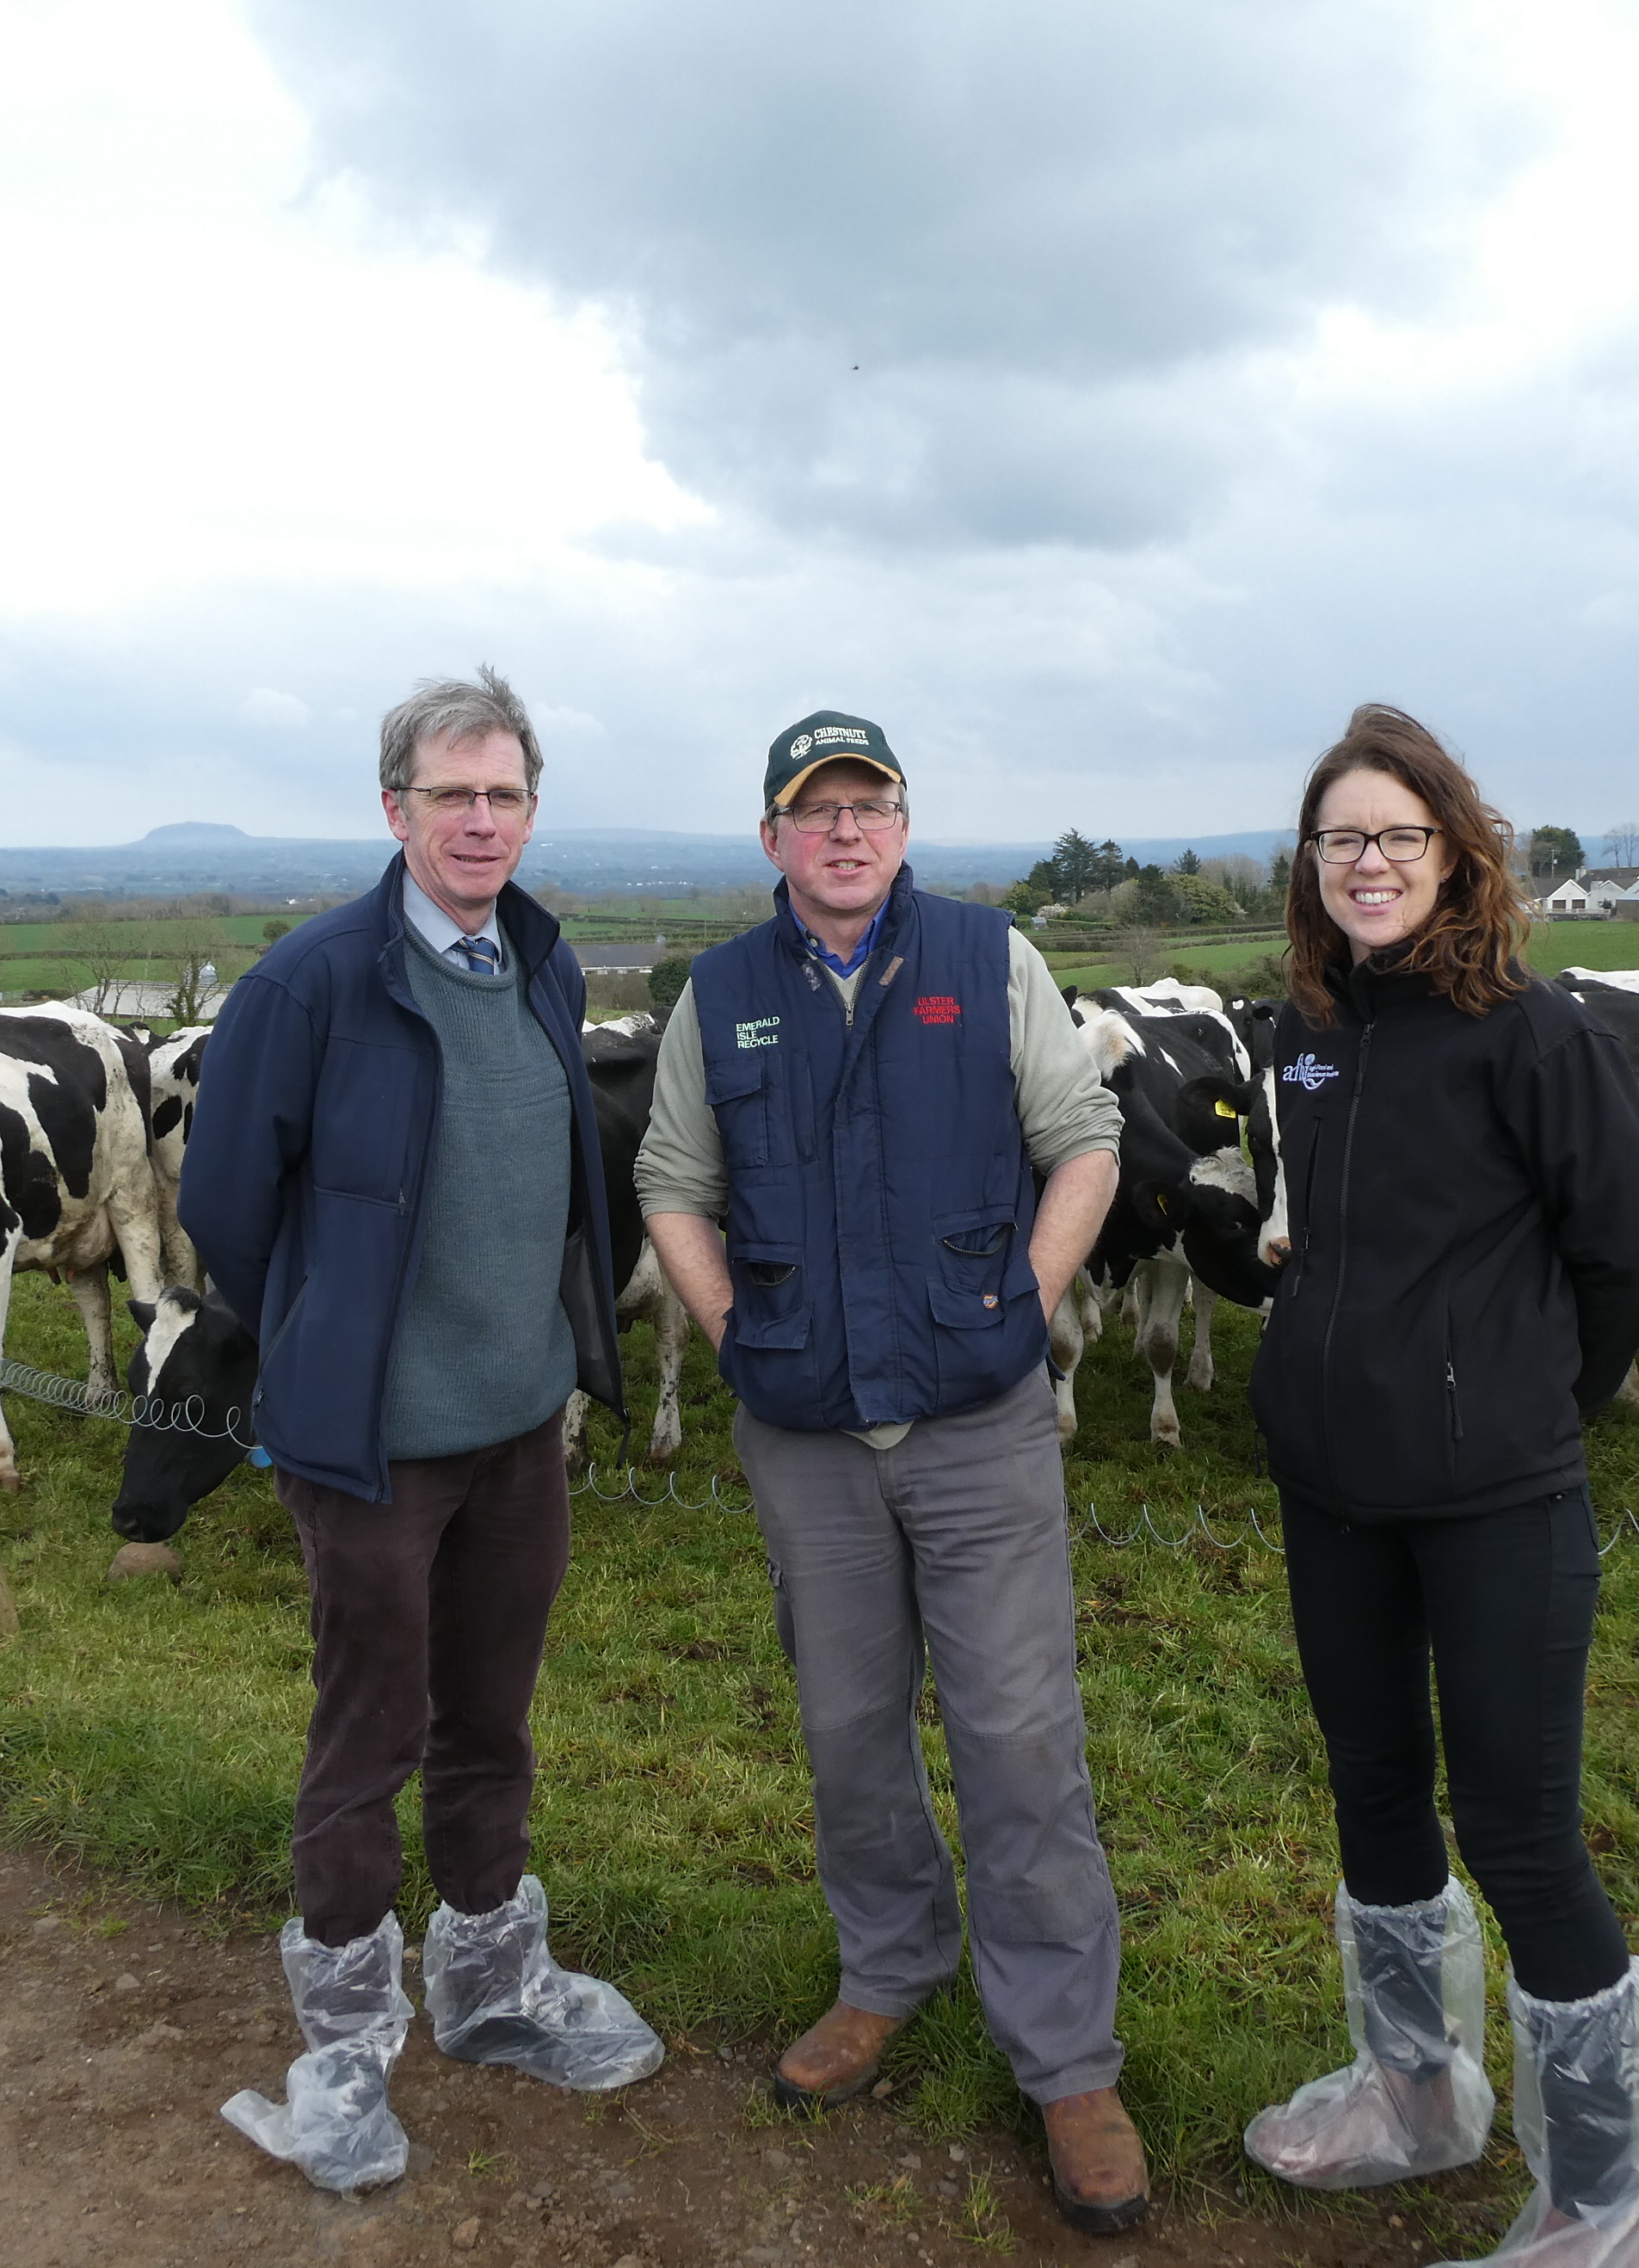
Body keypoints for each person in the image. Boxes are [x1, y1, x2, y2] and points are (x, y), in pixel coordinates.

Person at [638, 712, 1150, 2235]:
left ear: (906, 828)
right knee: (850, 1727)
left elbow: (1086, 1138)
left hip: (977, 1427)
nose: (846, 833)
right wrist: (735, 1329)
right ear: (773, 841)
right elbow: (672, 1181)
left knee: (1015, 1733)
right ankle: (887, 1972)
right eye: (817, 812)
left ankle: (1067, 2059)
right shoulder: (717, 995)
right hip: (807, 1436)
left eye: (872, 807)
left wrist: (1027, 1303)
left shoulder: (989, 963)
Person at [183, 669, 663, 2196]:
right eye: (450, 794)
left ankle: (491, 1986)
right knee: (367, 1730)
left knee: (492, 1716)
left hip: (522, 1430)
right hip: (378, 1450)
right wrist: (339, 1358)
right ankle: (339, 2050)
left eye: (503, 794)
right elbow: (226, 1214)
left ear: (531, 811)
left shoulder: (534, 958)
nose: (478, 820)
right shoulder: (311, 984)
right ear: (393, 809)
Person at [1238, 705, 1639, 2266]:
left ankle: (1604, 2205)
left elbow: (1633, 1255)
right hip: (1332, 1492)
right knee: (1371, 1784)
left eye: (1399, 836)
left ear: (1456, 852)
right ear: (1310, 863)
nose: (1370, 863)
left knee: (1521, 1836)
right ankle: (1414, 2097)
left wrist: (1516, 1407)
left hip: (1498, 1501)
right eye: (1341, 837)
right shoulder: (1303, 1034)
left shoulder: (1535, 1036)